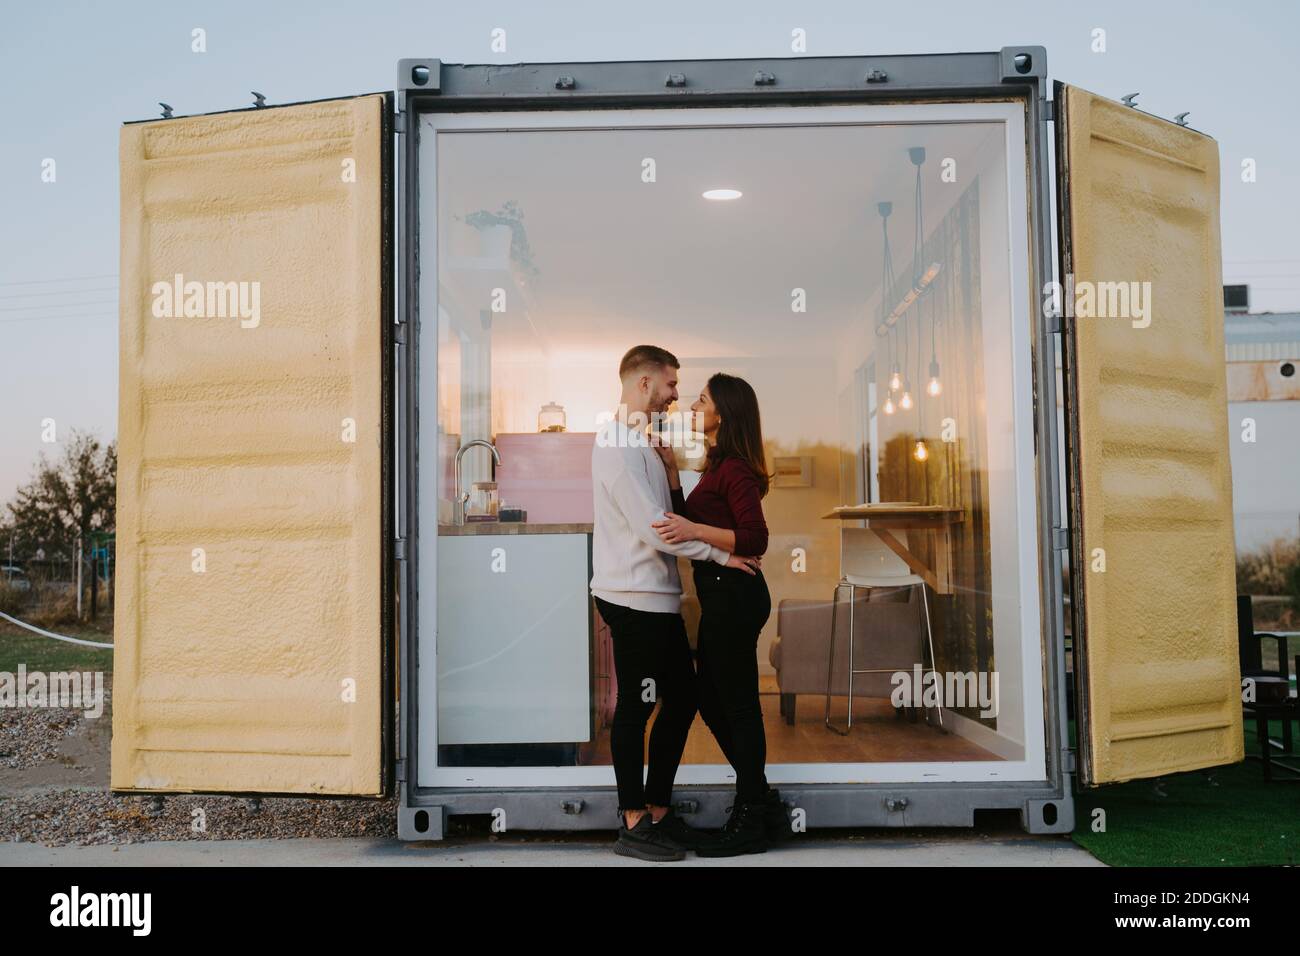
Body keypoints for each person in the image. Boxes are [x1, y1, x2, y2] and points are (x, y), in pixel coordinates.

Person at [590, 345, 761, 862]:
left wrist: (671, 478)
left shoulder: (641, 443)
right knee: (637, 708)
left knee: (683, 700)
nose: (674, 398)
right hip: (632, 598)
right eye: (669, 387)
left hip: (658, 599)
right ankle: (633, 820)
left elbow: (671, 513)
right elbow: (659, 530)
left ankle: (659, 810)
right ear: (643, 384)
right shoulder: (614, 445)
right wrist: (721, 554)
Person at [651, 372, 793, 855]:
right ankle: (762, 801)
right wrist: (672, 477)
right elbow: (685, 528)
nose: (692, 404)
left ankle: (751, 817)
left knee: (738, 708)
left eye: (702, 399)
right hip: (722, 596)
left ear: (723, 414)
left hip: (735, 598)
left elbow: (755, 539)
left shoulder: (735, 470)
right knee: (710, 702)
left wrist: (696, 527)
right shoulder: (715, 467)